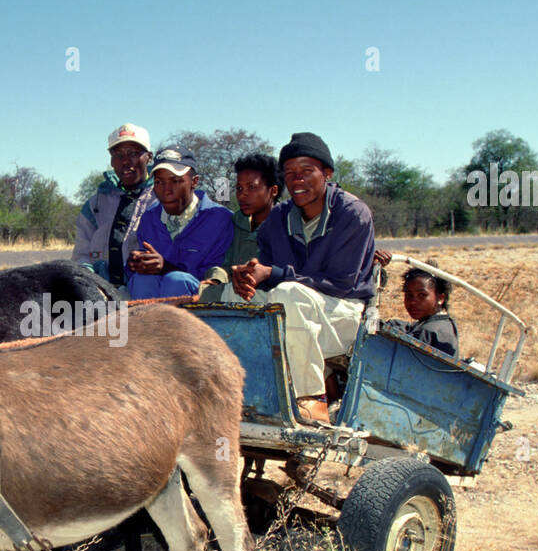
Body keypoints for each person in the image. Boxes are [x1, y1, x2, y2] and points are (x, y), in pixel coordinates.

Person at [231, 133, 375, 423]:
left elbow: (340, 283)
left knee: (288, 294)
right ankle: (242, 391)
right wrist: (248, 277)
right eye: (290, 173)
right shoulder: (279, 218)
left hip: (344, 315)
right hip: (298, 312)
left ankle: (313, 399)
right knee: (231, 296)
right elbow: (270, 274)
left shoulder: (352, 213)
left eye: (307, 171)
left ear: (327, 173)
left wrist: (273, 275)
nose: (297, 180)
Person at [126, 146, 233, 300]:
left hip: (200, 301)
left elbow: (217, 276)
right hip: (155, 296)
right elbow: (137, 271)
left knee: (176, 281)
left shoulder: (220, 219)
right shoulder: (149, 217)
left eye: (176, 181)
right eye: (159, 182)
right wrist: (134, 263)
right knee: (142, 279)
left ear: (194, 182)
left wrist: (166, 268)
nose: (166, 190)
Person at [73, 123, 155, 291]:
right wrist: (88, 278)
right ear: (111, 160)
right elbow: (81, 253)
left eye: (133, 153)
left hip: (147, 289)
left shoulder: (162, 198)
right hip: (99, 291)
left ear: (149, 157)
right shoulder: (95, 204)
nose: (125, 161)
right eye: (118, 154)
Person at [199, 153, 280, 303]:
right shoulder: (234, 222)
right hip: (229, 294)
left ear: (273, 190)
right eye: (239, 188)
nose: (242, 195)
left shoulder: (283, 226)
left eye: (252, 187)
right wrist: (216, 278)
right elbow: (224, 265)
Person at [386, 266, 459, 357]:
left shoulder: (429, 332)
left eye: (422, 295)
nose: (413, 302)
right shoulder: (445, 323)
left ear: (440, 298)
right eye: (409, 295)